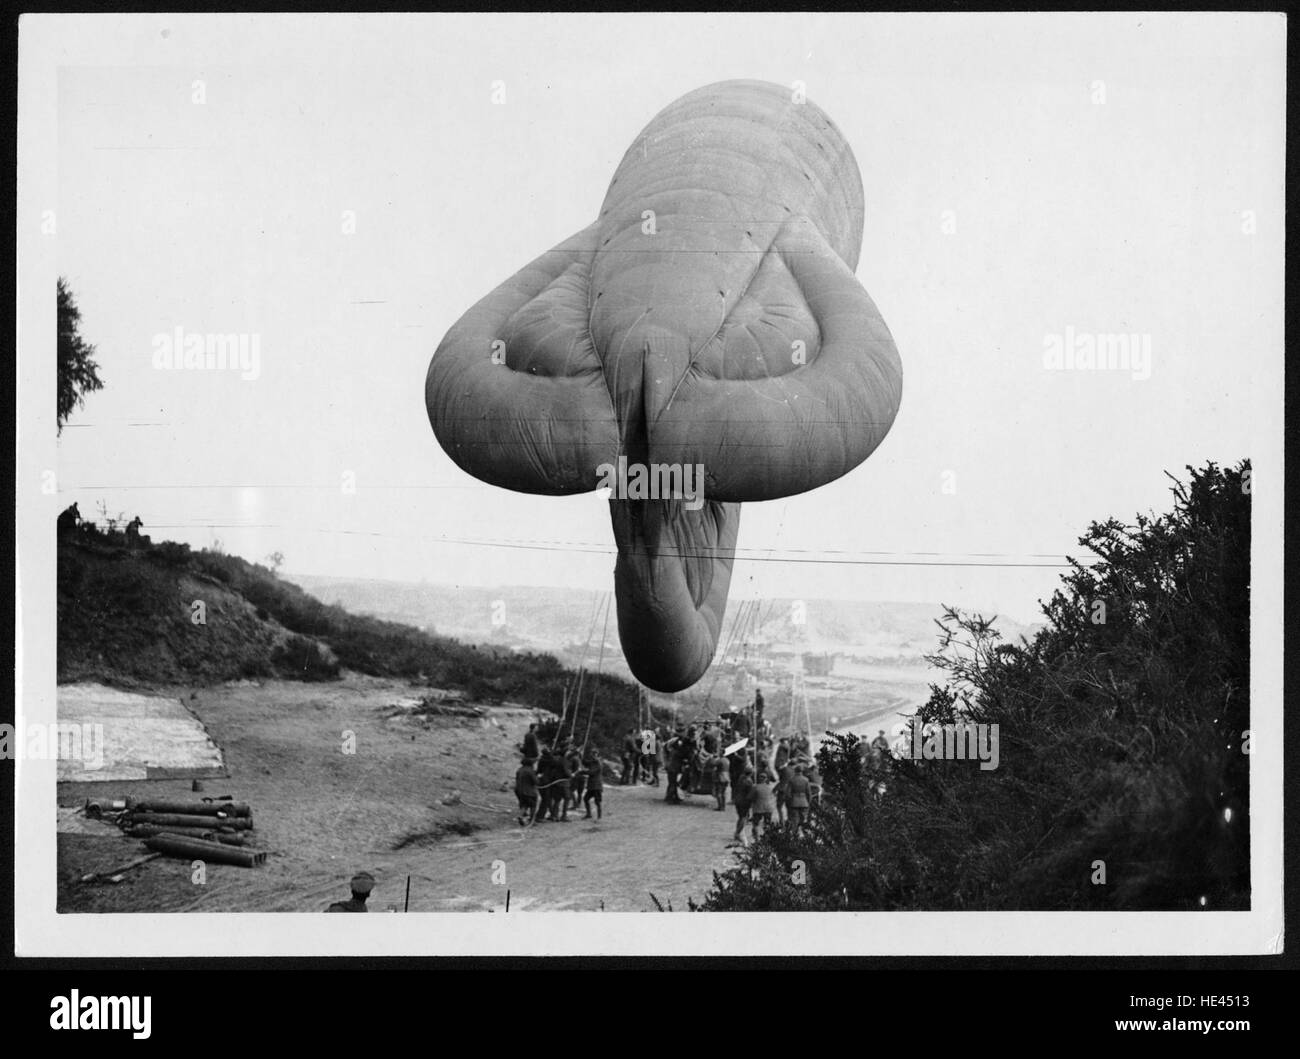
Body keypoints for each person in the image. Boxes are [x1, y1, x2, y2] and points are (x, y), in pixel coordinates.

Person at [750, 768, 776, 842]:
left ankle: (757, 838)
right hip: (768, 808)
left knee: (755, 824)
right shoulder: (770, 787)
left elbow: (750, 797)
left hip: (758, 808)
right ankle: (767, 838)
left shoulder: (755, 787)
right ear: (766, 779)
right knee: (767, 824)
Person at [786, 764, 812, 833]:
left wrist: (789, 802)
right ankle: (804, 833)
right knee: (803, 818)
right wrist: (808, 802)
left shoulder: (792, 780)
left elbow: (788, 793)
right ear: (802, 771)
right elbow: (809, 793)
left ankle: (795, 833)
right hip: (804, 802)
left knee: (795, 819)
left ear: (795, 771)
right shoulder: (806, 780)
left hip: (794, 802)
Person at [515, 757, 540, 826]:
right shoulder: (530, 771)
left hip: (519, 791)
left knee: (524, 804)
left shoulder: (519, 770)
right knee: (533, 806)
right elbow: (536, 782)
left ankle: (520, 815)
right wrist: (538, 777)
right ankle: (532, 821)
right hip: (530, 792)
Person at [582, 746, 604, 819]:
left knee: (597, 802)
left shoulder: (598, 763)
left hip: (596, 786)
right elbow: (585, 763)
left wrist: (582, 772)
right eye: (592, 754)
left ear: (596, 754)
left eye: (594, 754)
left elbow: (592, 772)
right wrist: (580, 755)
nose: (592, 756)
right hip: (591, 786)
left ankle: (599, 816)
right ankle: (589, 814)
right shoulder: (592, 761)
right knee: (586, 799)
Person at [565, 741, 586, 810]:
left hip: (576, 776)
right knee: (579, 792)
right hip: (581, 776)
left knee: (571, 790)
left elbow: (570, 766)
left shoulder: (573, 758)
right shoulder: (579, 758)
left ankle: (575, 804)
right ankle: (578, 804)